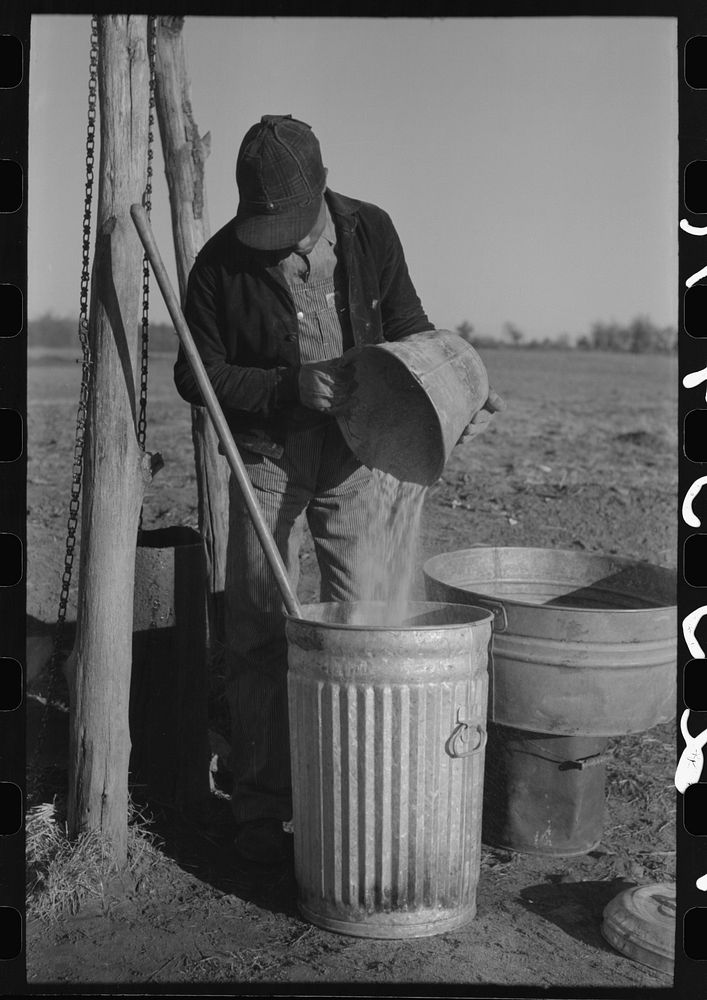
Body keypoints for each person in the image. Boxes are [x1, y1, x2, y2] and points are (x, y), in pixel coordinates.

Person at [174, 114, 503, 867]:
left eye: (291, 223)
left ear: (323, 190)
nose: (282, 240)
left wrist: (457, 388)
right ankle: (261, 808)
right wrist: (289, 385)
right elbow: (197, 374)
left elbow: (411, 326)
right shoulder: (220, 265)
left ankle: (364, 789)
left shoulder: (369, 233)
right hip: (266, 458)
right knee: (259, 630)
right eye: (267, 227)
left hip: (360, 453)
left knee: (367, 627)